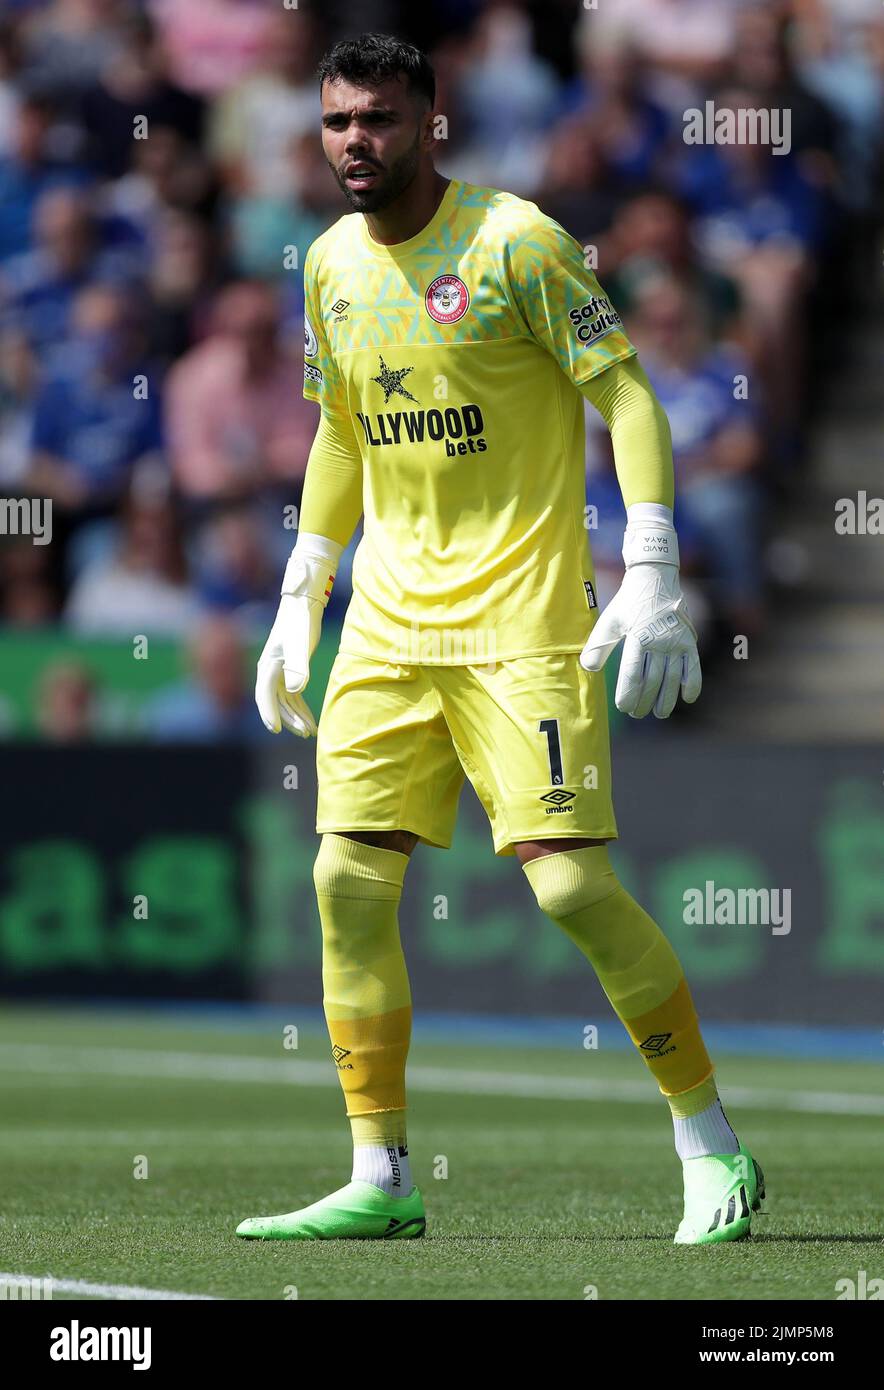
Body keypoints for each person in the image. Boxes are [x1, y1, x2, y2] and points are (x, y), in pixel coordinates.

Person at [238, 34, 764, 1246]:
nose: (354, 141)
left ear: (432, 120)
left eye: (377, 117)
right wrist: (301, 587)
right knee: (341, 880)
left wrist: (649, 564)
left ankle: (708, 1144)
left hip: (521, 625)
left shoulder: (516, 242)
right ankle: (380, 1173)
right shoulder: (324, 265)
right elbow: (338, 431)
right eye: (335, 122)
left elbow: (624, 390)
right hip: (385, 624)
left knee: (571, 884)